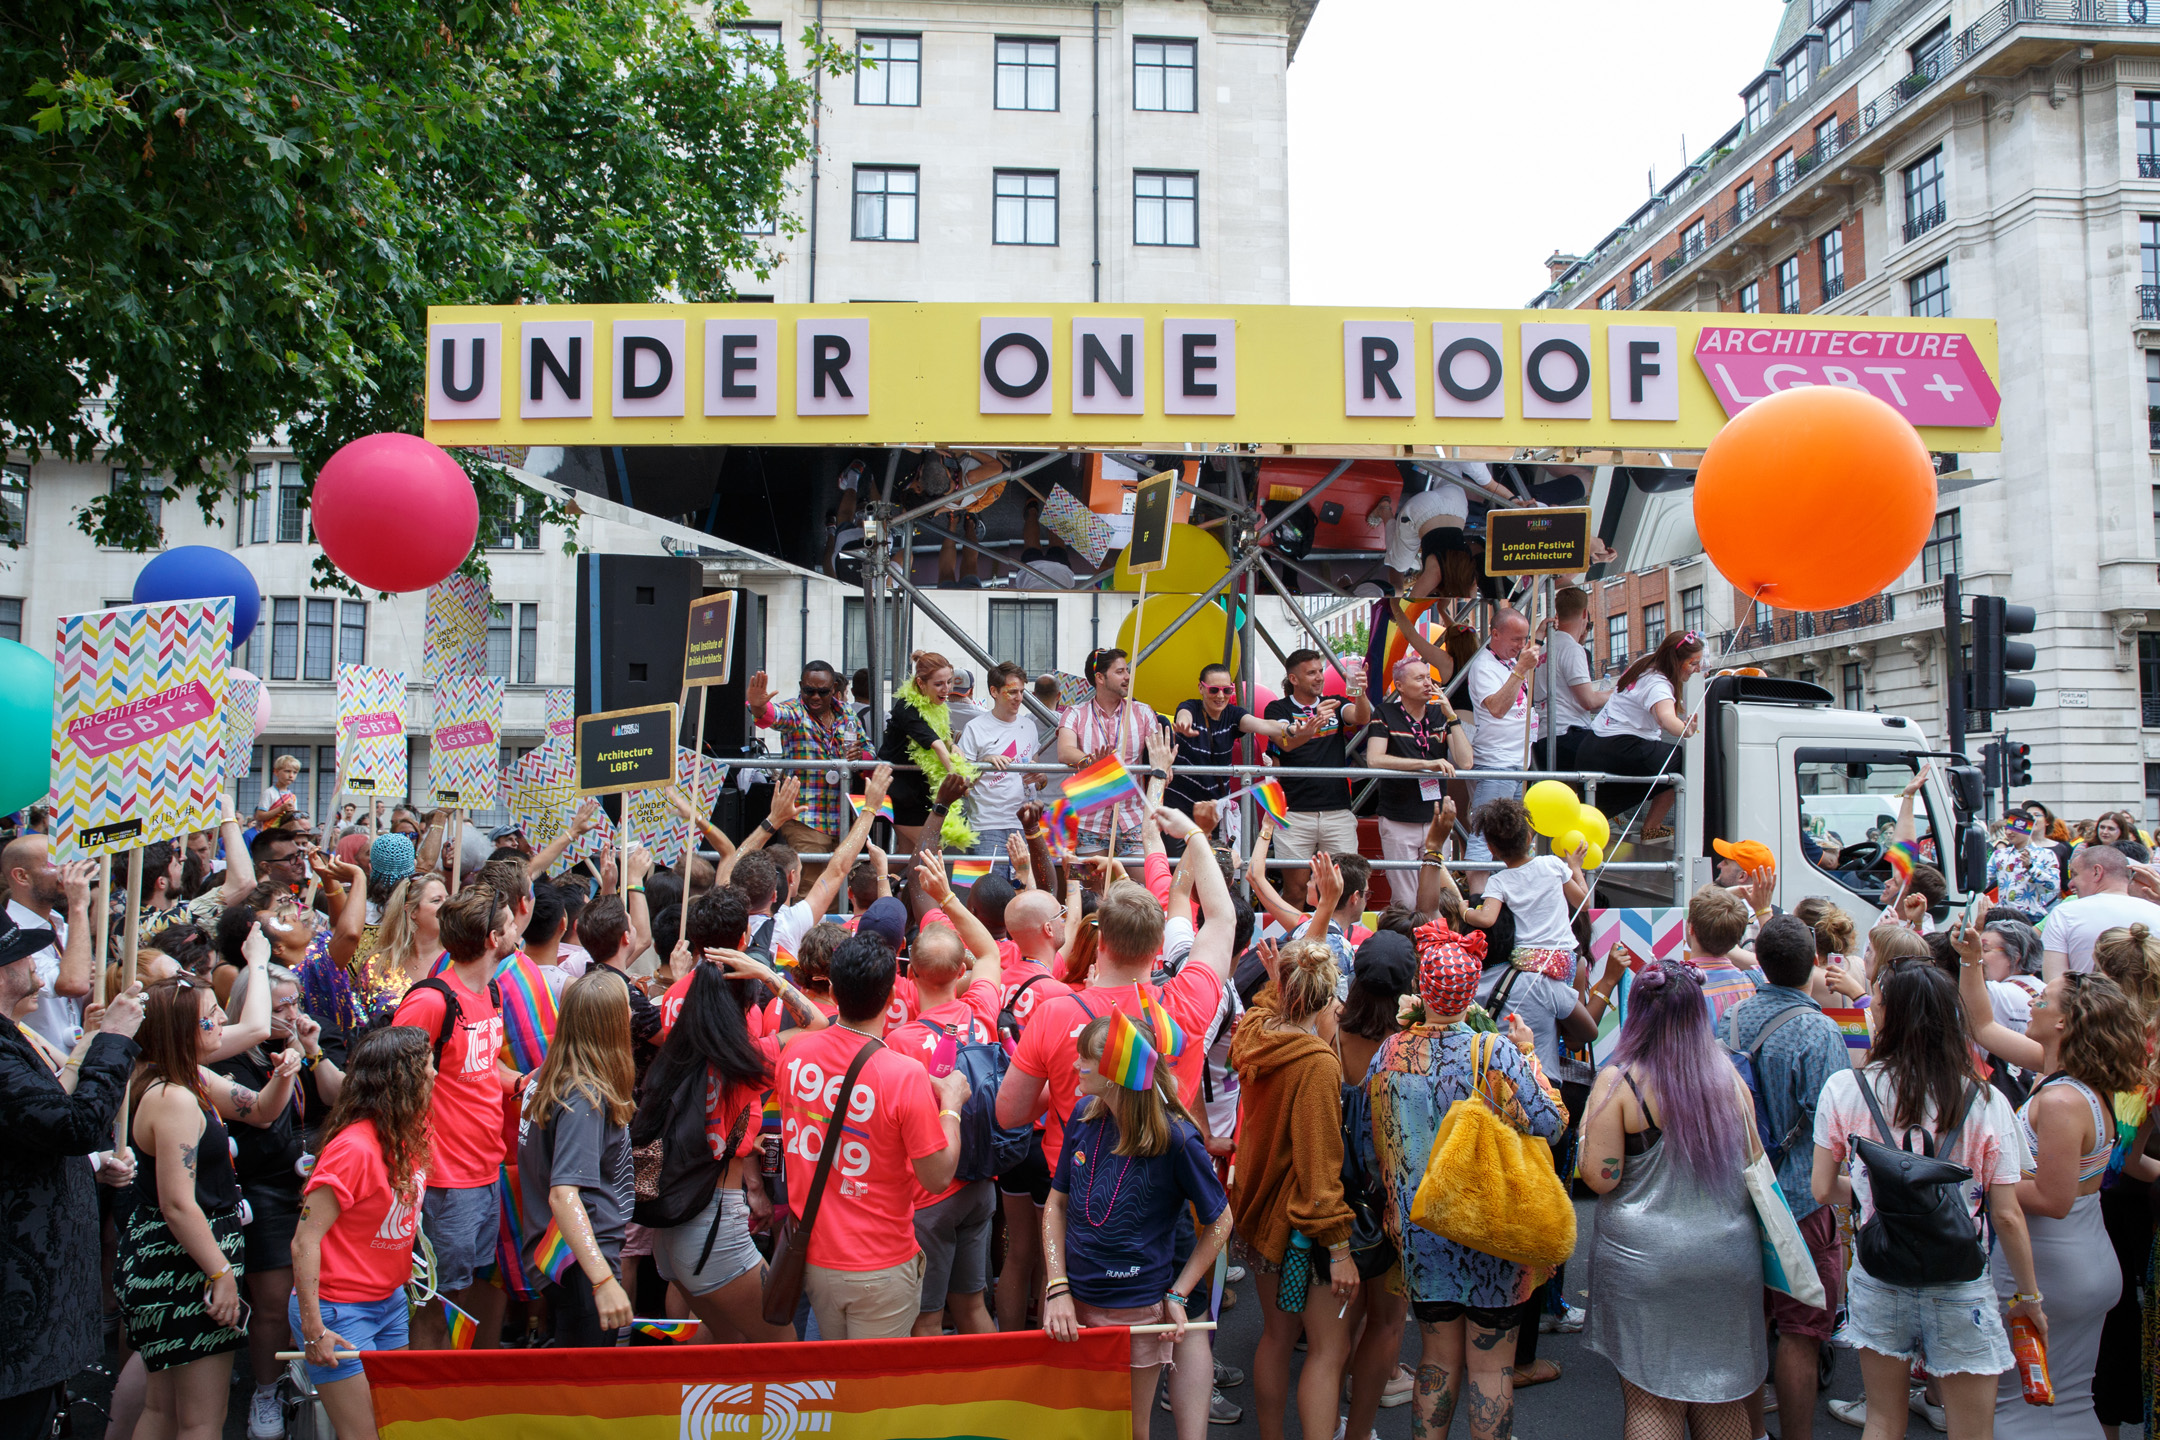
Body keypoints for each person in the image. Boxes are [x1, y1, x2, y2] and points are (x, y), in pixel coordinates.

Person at [1000, 804, 1240, 1431]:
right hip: (1170, 1202)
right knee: (1181, 1324)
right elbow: (1224, 918)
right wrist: (1193, 838)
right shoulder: (1183, 1000)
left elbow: (1008, 1113)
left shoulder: (1053, 1009)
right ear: (1159, 946)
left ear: (1098, 940)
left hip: (1081, 1205)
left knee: (1087, 1352)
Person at [1811, 959, 2045, 1437]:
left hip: (1879, 1271)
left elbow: (1822, 1188)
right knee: (1970, 1429)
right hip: (1960, 1278)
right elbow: (2007, 1214)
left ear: (1889, 1016)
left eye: (1875, 1003)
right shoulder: (1985, 1099)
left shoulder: (1845, 1088)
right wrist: (2029, 1297)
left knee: (1881, 1419)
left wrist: (1878, 1193)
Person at [1367, 917, 1566, 1440]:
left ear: (1423, 990)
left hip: (1420, 1228)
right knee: (1491, 1366)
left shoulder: (1390, 1053)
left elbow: (1371, 1138)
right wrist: (1529, 1054)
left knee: (1435, 1358)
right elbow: (1550, 1123)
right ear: (1472, 989)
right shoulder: (1494, 1051)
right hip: (1491, 1228)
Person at [1952, 933, 2148, 1440]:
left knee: (2026, 1408)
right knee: (2063, 1399)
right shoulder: (2070, 1076)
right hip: (2079, 1261)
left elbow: (2054, 1200)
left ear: (2063, 1022)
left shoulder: (2061, 1101)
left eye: (2043, 998)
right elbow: (1983, 1025)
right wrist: (1971, 961)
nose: (2032, 1000)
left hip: (2054, 1267)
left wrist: (1976, 1180)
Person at [1579, 961, 1767, 1440]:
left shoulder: (1620, 1082)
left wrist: (1585, 1134)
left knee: (1652, 1402)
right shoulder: (1727, 1075)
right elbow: (1755, 1163)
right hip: (1727, 1258)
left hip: (1645, 1262)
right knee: (1720, 1397)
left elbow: (1602, 1178)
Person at [120, 964, 301, 1440]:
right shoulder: (174, 1097)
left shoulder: (187, 1077)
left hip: (182, 1260)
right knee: (199, 1420)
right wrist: (221, 1274)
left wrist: (284, 1073)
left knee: (164, 1411)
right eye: (212, 1016)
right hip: (185, 1265)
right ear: (183, 1030)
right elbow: (179, 1204)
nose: (224, 1022)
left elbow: (260, 1111)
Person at [773, 930, 972, 1339]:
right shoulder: (903, 1074)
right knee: (874, 1393)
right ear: (893, 1000)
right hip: (880, 1263)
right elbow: (936, 1178)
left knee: (832, 1383)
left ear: (833, 989)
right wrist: (951, 1106)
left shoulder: (793, 1054)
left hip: (813, 1257)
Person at [1044, 1014, 1232, 1440]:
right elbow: (1055, 1205)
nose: (1076, 1067)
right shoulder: (1083, 1115)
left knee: (1126, 1430)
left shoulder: (1178, 1139)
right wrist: (1057, 1288)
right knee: (1079, 1424)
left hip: (1135, 1311)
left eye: (1085, 1060)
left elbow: (1221, 1222)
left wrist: (1178, 1293)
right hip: (1072, 1305)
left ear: (1116, 1073)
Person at [0, 911, 145, 1440]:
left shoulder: (13, 1036)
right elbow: (75, 1123)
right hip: (17, 1324)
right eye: (21, 954)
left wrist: (84, 1169)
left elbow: (39, 1134)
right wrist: (113, 1041)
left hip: (32, 1317)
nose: (37, 966)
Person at [637, 935, 823, 1345]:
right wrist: (771, 977)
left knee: (723, 1344)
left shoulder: (673, 1056)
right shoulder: (745, 1061)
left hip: (672, 1235)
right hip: (714, 1231)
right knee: (784, 1347)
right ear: (744, 1006)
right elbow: (819, 1025)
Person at [1725, 917, 1856, 1440]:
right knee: (1801, 1332)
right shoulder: (1820, 1030)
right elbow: (1835, 1128)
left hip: (1739, 1194)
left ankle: (1752, 1432)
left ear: (1759, 962)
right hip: (1802, 1197)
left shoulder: (1729, 1020)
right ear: (1816, 965)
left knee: (1751, 1328)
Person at [1230, 938, 1358, 1440]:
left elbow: (1267, 1004)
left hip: (1257, 1215)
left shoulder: (1256, 1031)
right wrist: (1341, 1250)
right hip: (1300, 1229)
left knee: (1276, 1338)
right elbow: (1319, 1168)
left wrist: (1277, 983)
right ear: (1327, 1000)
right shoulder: (1317, 1064)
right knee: (1330, 1350)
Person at [217, 962, 344, 1440]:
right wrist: (285, 1070)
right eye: (280, 1006)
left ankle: (305, 1377)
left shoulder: (309, 1036)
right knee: (272, 1300)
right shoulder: (228, 1054)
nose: (292, 1013)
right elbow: (262, 1118)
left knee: (312, 1288)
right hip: (258, 1185)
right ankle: (265, 1389)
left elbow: (338, 1097)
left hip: (309, 1180)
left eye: (295, 1001)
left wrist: (310, 1051)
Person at [289, 1026, 434, 1440]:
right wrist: (314, 1329)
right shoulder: (353, 1149)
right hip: (339, 1311)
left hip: (388, 1303)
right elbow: (304, 1241)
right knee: (363, 1435)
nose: (435, 1075)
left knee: (394, 1425)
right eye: (428, 1066)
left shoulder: (405, 1135)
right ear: (403, 1080)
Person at [884, 861, 1006, 1336]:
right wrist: (948, 899)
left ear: (910, 972)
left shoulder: (898, 1044)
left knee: (927, 1316)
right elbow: (991, 949)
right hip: (980, 1183)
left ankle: (929, 1410)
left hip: (928, 1195)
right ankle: (998, 1404)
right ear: (962, 971)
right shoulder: (981, 1012)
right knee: (973, 1307)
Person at [390, 884, 513, 1349]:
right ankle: (427, 1400)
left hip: (484, 1172)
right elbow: (392, 1079)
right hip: (444, 1180)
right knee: (434, 1300)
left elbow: (484, 1067)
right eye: (508, 922)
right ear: (492, 939)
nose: (516, 925)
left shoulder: (492, 992)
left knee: (462, 1293)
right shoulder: (431, 1001)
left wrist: (525, 1083)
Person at [516, 972, 637, 1347]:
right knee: (588, 1393)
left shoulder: (545, 1076)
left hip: (562, 1260)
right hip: (582, 1264)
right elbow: (563, 1195)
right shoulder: (585, 1097)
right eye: (626, 1007)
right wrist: (602, 1282)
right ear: (612, 1024)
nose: (633, 1013)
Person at [1334, 932, 1420, 1430]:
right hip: (1394, 1206)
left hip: (1337, 1203)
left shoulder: (1331, 1034)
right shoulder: (1411, 1049)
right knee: (1387, 1324)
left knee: (1335, 1332)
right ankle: (1361, 1427)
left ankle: (1330, 1415)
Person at [745, 661, 874, 880]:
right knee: (809, 884)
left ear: (834, 689)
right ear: (800, 687)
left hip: (842, 816)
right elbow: (773, 715)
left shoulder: (847, 715)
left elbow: (869, 750)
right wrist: (758, 707)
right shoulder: (795, 712)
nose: (815, 697)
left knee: (838, 885)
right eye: (808, 690)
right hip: (805, 816)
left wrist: (861, 757)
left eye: (822, 691)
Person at [1576, 630, 1705, 840]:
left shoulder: (1647, 664)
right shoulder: (1659, 684)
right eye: (1693, 663)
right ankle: (1652, 828)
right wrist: (1685, 730)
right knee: (1682, 761)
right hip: (1619, 749)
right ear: (1675, 660)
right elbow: (1665, 717)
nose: (1698, 669)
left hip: (1593, 746)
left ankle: (1607, 816)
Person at [1365, 653, 1471, 907]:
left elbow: (1466, 761)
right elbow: (1375, 759)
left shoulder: (1438, 715)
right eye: (1420, 678)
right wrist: (1426, 766)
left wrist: (1452, 716)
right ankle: (1410, 944)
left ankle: (1435, 943)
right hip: (1398, 817)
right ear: (1399, 686)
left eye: (1429, 678)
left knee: (1438, 894)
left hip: (1436, 818)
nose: (1428, 683)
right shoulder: (1385, 713)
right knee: (1405, 898)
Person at [1262, 649, 1373, 880]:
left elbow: (1361, 718)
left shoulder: (1334, 703)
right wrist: (1315, 726)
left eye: (1320, 671)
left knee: (1345, 884)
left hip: (1337, 811)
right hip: (1294, 812)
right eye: (1311, 673)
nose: (1320, 677)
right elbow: (1286, 744)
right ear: (1293, 679)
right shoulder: (1277, 708)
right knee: (1296, 888)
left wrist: (1360, 692)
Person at [1056, 647, 1158, 856]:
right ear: (1100, 678)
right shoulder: (1074, 713)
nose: (1128, 676)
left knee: (1146, 887)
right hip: (1089, 818)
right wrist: (1094, 761)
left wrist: (1163, 765)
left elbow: (1158, 752)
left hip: (1134, 817)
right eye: (1120, 672)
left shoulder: (1144, 712)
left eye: (1126, 671)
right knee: (1090, 887)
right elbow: (1065, 752)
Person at [1460, 611, 1542, 872]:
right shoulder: (1484, 665)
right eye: (1515, 639)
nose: (1521, 645)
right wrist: (1520, 670)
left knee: (1512, 839)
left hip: (1517, 763)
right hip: (1496, 765)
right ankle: (1475, 902)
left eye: (1525, 638)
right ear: (1495, 634)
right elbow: (1496, 708)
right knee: (1484, 837)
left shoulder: (1508, 661)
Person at [879, 649, 981, 856]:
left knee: (908, 853)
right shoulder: (906, 707)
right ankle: (882, 885)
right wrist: (959, 778)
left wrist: (954, 745)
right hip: (898, 794)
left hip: (917, 793)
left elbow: (943, 737)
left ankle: (888, 886)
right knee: (931, 849)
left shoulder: (937, 706)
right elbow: (935, 743)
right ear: (920, 683)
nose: (946, 689)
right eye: (939, 684)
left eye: (949, 682)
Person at [2, 834, 95, 1052]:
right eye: (58, 864)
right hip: (34, 1061)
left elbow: (81, 991)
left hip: (70, 1057)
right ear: (22, 876)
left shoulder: (61, 924)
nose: (68, 872)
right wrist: (79, 905)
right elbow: (73, 984)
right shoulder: (11, 935)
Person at [958, 662, 1044, 874]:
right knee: (989, 896)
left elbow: (1040, 779)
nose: (1019, 697)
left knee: (1024, 894)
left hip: (1025, 823)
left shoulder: (1029, 726)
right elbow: (962, 784)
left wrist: (1039, 776)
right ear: (994, 692)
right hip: (986, 825)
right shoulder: (975, 728)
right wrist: (984, 763)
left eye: (1022, 692)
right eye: (1012, 691)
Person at [2042, 842, 2160, 979]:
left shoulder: (2065, 913)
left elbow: (2054, 983)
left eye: (2074, 874)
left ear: (2097, 872)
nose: (2070, 883)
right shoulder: (2155, 912)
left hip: (2084, 999)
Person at [1534, 586, 1611, 776]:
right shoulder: (1572, 649)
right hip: (1568, 736)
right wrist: (1619, 691)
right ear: (1585, 613)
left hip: (1544, 738)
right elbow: (1589, 702)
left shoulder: (1543, 650)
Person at [1987, 814, 2062, 923]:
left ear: (2027, 828)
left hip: (2032, 917)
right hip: (2003, 918)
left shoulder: (2046, 854)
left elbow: (2054, 886)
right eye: (2006, 828)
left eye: (2013, 828)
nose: (2008, 833)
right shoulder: (1999, 855)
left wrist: (2031, 868)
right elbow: (1983, 881)